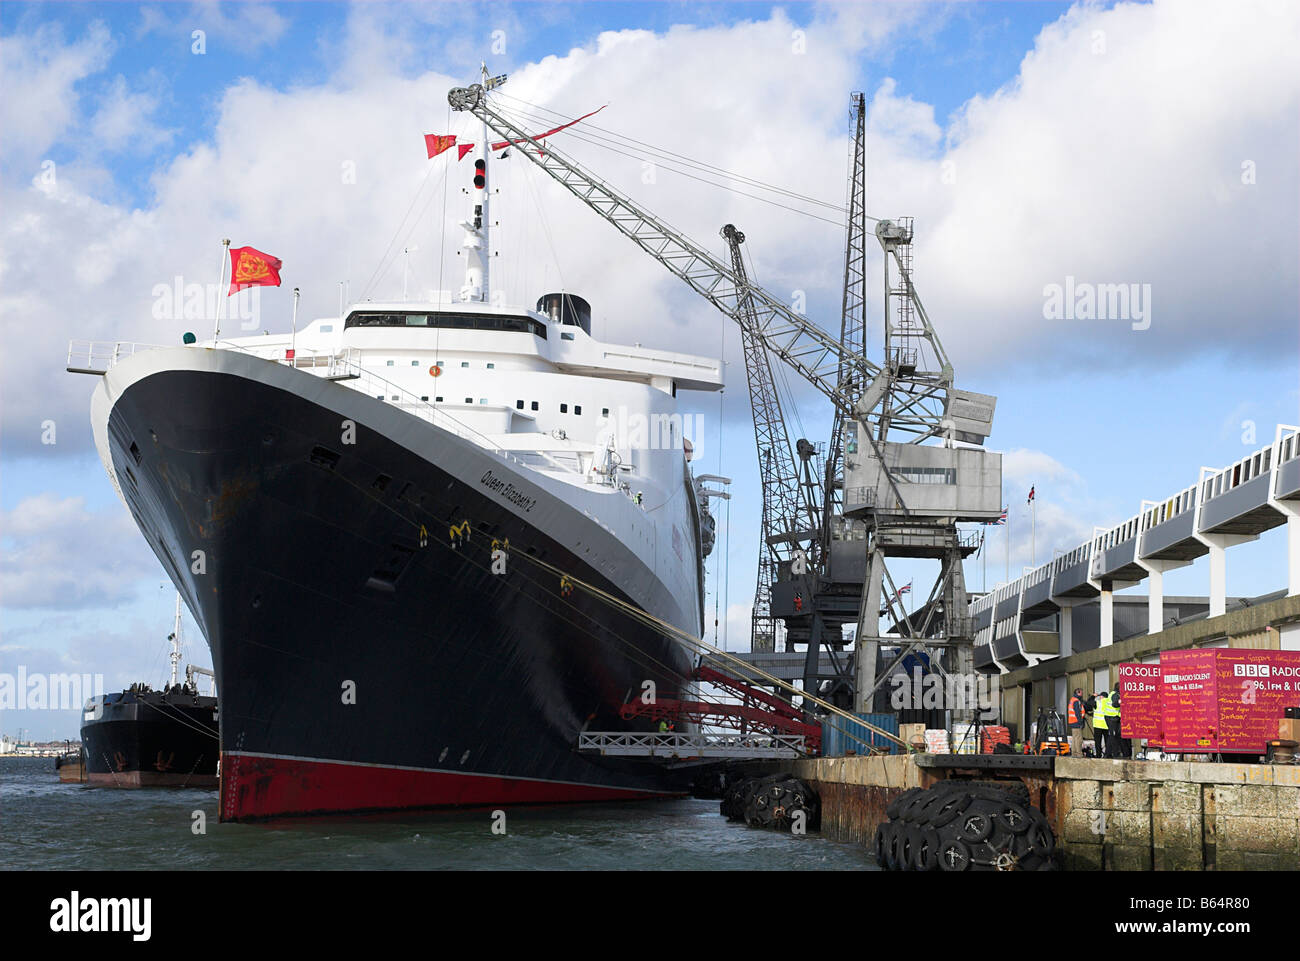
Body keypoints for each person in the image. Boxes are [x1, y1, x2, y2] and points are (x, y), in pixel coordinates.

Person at [1067, 687, 1087, 757]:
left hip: (1072, 722)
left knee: (1075, 738)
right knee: (1079, 739)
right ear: (1078, 692)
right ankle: (1079, 754)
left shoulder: (1072, 700)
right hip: (1076, 722)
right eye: (1081, 692)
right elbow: (1077, 713)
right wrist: (1080, 722)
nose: (1082, 694)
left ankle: (1074, 753)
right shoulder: (1076, 701)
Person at [1091, 690, 1112, 758]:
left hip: (1098, 725)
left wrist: (1093, 696)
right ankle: (1107, 754)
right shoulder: (1110, 703)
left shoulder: (1098, 702)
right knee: (1107, 741)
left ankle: (1098, 754)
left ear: (1102, 697)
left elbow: (1088, 703)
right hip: (1106, 725)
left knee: (1098, 741)